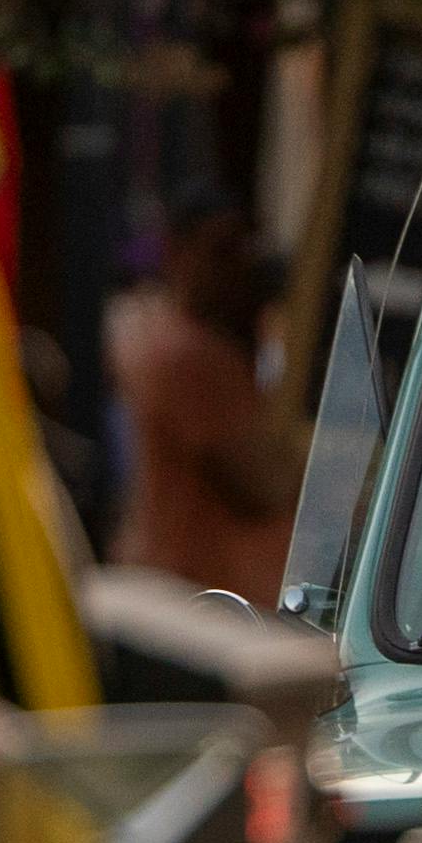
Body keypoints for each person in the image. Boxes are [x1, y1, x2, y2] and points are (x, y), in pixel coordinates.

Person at [108, 191, 309, 601]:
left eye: (243, 253)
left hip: (206, 594)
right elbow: (263, 487)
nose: (235, 270)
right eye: (221, 252)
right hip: (193, 599)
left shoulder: (211, 345)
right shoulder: (187, 355)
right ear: (177, 254)